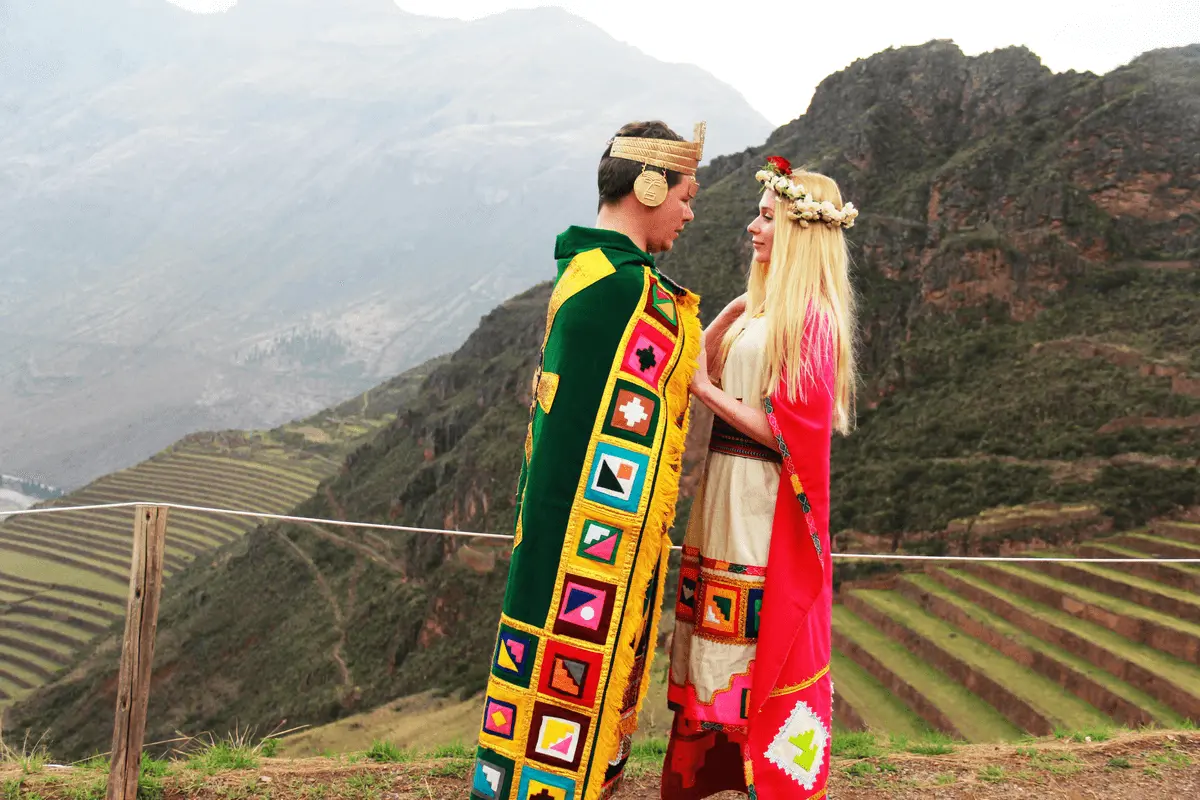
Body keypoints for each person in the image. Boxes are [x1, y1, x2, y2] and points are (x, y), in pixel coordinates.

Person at [470, 120, 707, 800]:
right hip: (593, 544)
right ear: (649, 186)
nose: (689, 213)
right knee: (573, 678)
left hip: (553, 519)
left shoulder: (586, 269)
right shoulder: (633, 293)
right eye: (685, 196)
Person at [661, 156, 859, 799]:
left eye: (767, 218)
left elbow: (788, 435)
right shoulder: (764, 309)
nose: (753, 226)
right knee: (719, 630)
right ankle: (720, 771)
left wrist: (704, 393)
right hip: (727, 492)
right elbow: (706, 366)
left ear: (800, 232)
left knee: (747, 636)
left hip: (759, 502)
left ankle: (763, 777)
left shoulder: (812, 321)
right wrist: (724, 317)